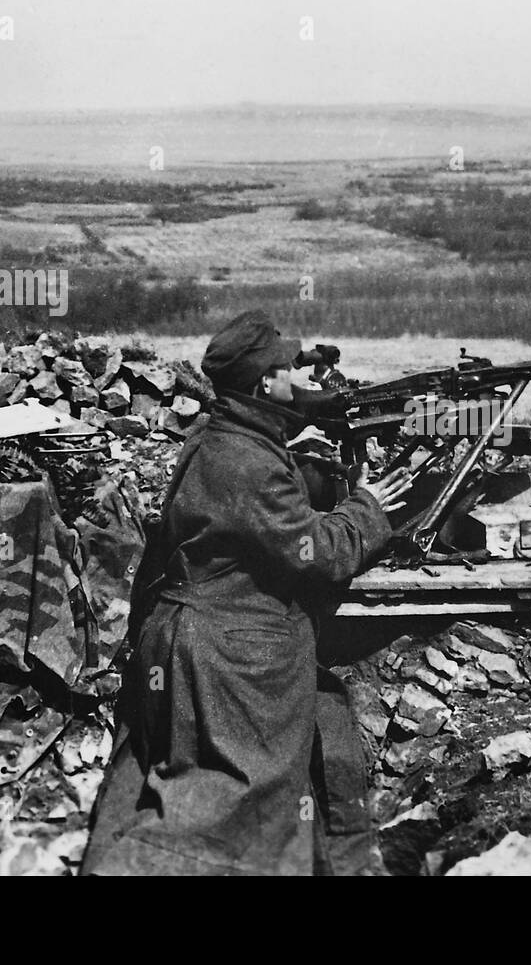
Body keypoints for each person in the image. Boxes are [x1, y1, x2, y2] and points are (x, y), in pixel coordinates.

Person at [81, 311, 411, 875]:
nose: (299, 378)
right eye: (288, 369)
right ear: (264, 383)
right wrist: (367, 509)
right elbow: (319, 555)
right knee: (228, 799)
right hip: (229, 658)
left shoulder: (217, 435)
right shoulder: (250, 461)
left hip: (183, 639)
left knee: (170, 783)